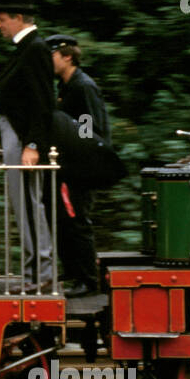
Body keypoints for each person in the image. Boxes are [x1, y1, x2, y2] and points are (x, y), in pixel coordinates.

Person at [0, 0, 55, 293]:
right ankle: (33, 274)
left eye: (2, 19)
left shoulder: (35, 49)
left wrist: (33, 145)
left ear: (18, 18)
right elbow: (17, 99)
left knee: (28, 204)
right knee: (22, 205)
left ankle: (41, 274)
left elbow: (43, 102)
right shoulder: (25, 49)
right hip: (14, 134)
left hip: (24, 140)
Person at [46, 34, 110, 298]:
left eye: (51, 57)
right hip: (71, 163)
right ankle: (73, 272)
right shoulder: (66, 86)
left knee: (77, 220)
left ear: (67, 56)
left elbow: (89, 129)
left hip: (81, 165)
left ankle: (87, 280)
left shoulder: (83, 87)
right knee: (64, 218)